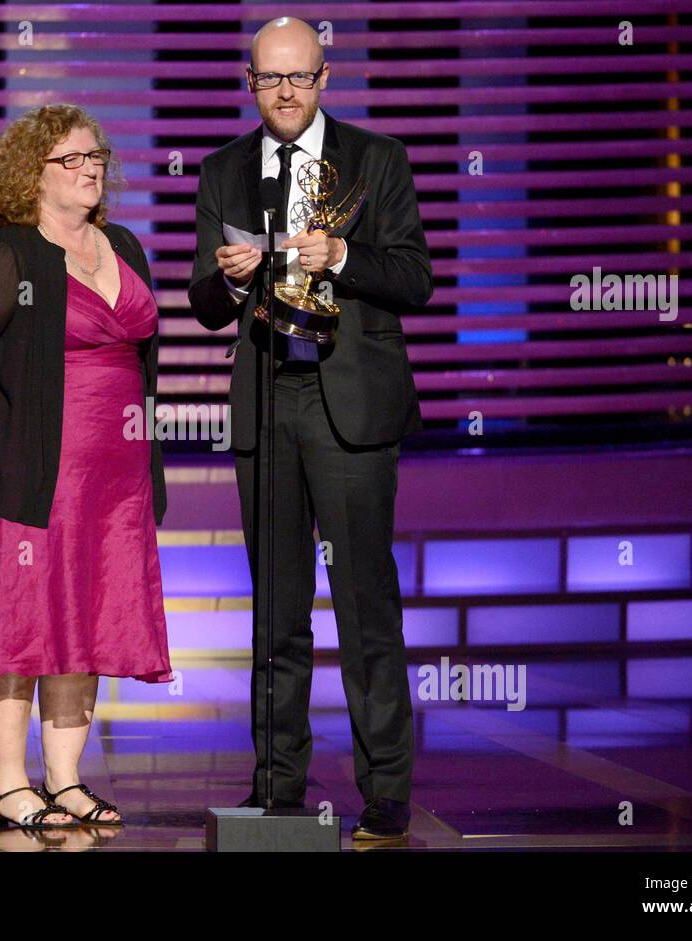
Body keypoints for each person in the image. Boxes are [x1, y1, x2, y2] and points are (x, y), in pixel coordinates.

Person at [187, 17, 433, 843]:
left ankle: (387, 791)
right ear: (249, 82)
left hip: (351, 407)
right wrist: (228, 282)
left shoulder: (377, 159)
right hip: (267, 402)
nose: (286, 91)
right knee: (275, 612)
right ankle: (277, 788)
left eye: (300, 76)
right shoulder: (224, 171)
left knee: (367, 607)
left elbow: (414, 278)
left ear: (323, 78)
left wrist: (341, 257)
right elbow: (202, 302)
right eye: (270, 78)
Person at [0, 103, 172, 832]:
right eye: (72, 158)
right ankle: (7, 782)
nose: (91, 166)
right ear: (31, 175)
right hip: (26, 480)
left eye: (96, 154)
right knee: (16, 627)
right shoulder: (12, 255)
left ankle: (64, 779)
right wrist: (2, 432)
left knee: (84, 625)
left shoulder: (122, 243)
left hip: (114, 480)